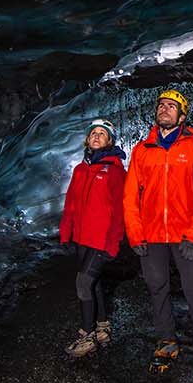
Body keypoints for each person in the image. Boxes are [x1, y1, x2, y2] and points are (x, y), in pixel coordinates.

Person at [122, 89, 193, 383]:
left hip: (186, 235)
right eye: (161, 105)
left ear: (182, 116)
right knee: (157, 290)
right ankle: (166, 341)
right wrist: (135, 234)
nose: (164, 109)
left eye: (171, 106)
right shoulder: (142, 150)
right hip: (151, 236)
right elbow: (130, 197)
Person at [58, 118, 126, 359]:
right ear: (88, 140)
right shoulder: (81, 169)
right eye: (93, 133)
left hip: (101, 240)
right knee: (94, 283)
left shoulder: (115, 170)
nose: (97, 136)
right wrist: (66, 234)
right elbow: (71, 205)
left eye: (102, 134)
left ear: (109, 141)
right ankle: (102, 327)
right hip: (82, 238)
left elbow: (120, 210)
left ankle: (86, 335)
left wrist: (113, 243)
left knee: (84, 283)